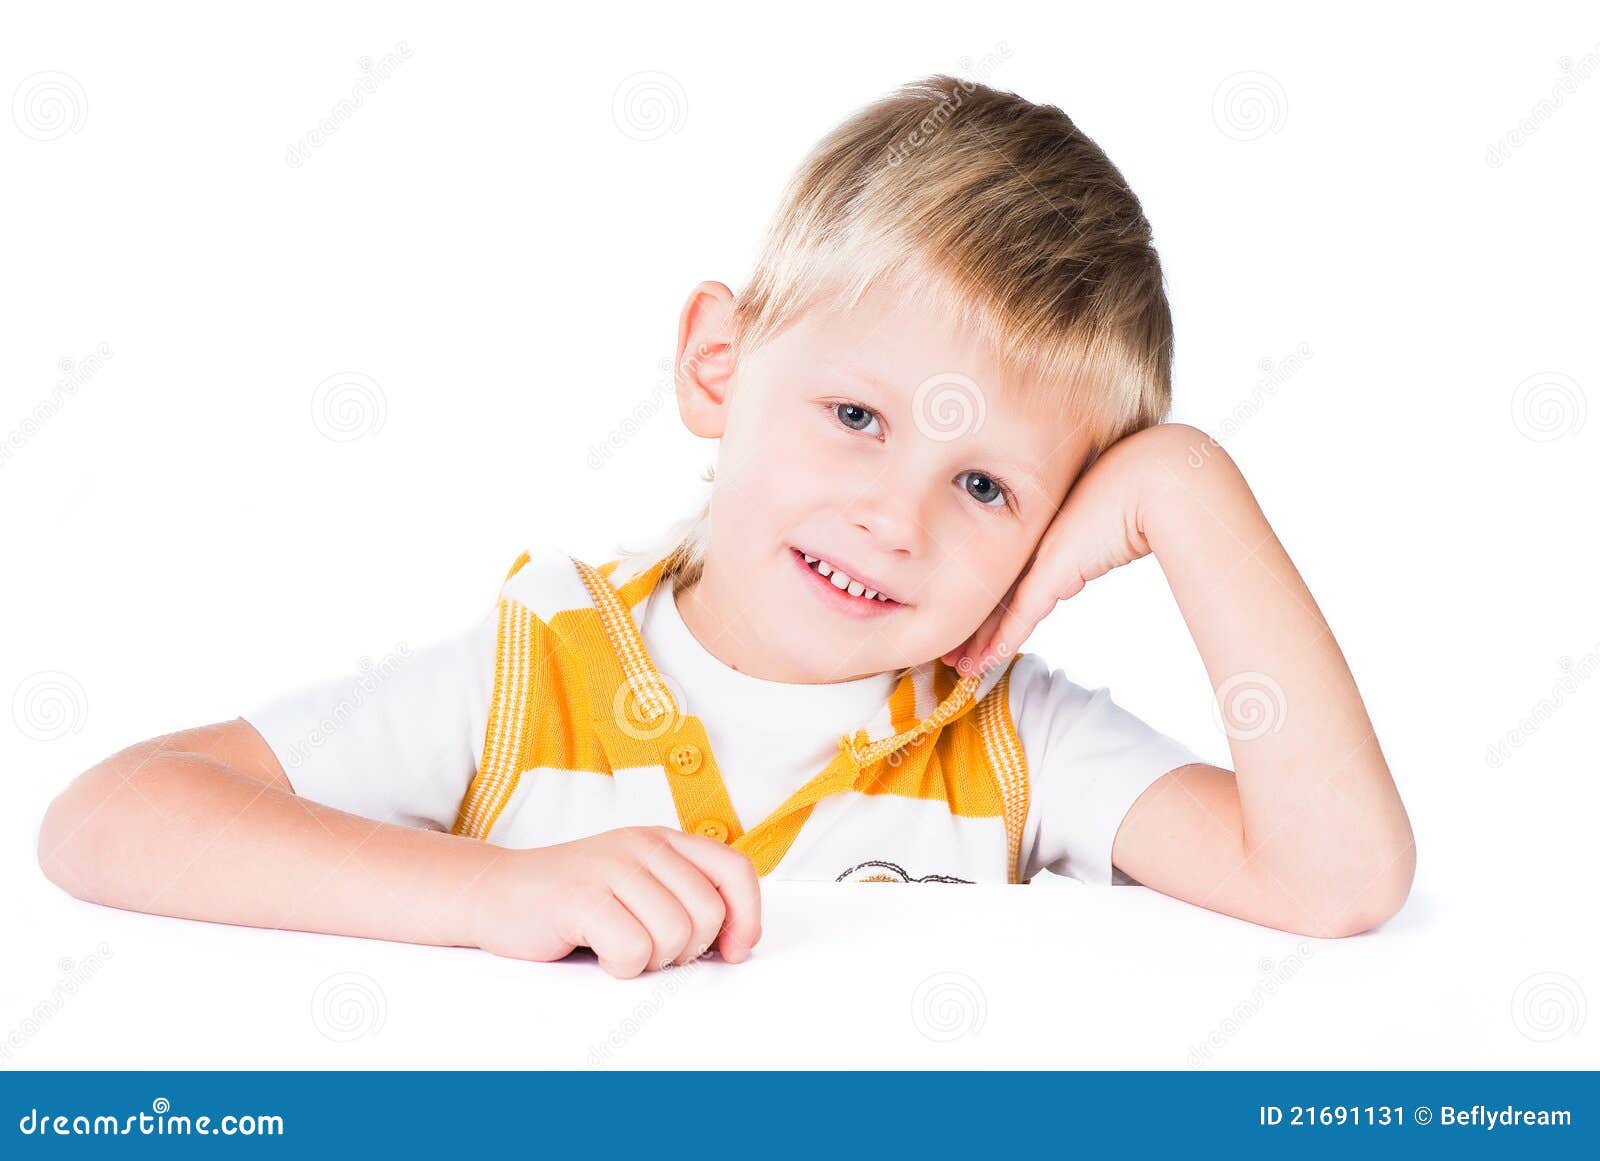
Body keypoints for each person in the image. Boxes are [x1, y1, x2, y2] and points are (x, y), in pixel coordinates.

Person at [37, 75, 1415, 979]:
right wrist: (490, 895)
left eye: (988, 486)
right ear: (717, 365)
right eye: (858, 416)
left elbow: (1338, 878)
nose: (893, 516)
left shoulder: (1009, 740)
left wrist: (1185, 484)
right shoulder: (538, 674)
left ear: (1058, 531)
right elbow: (109, 818)